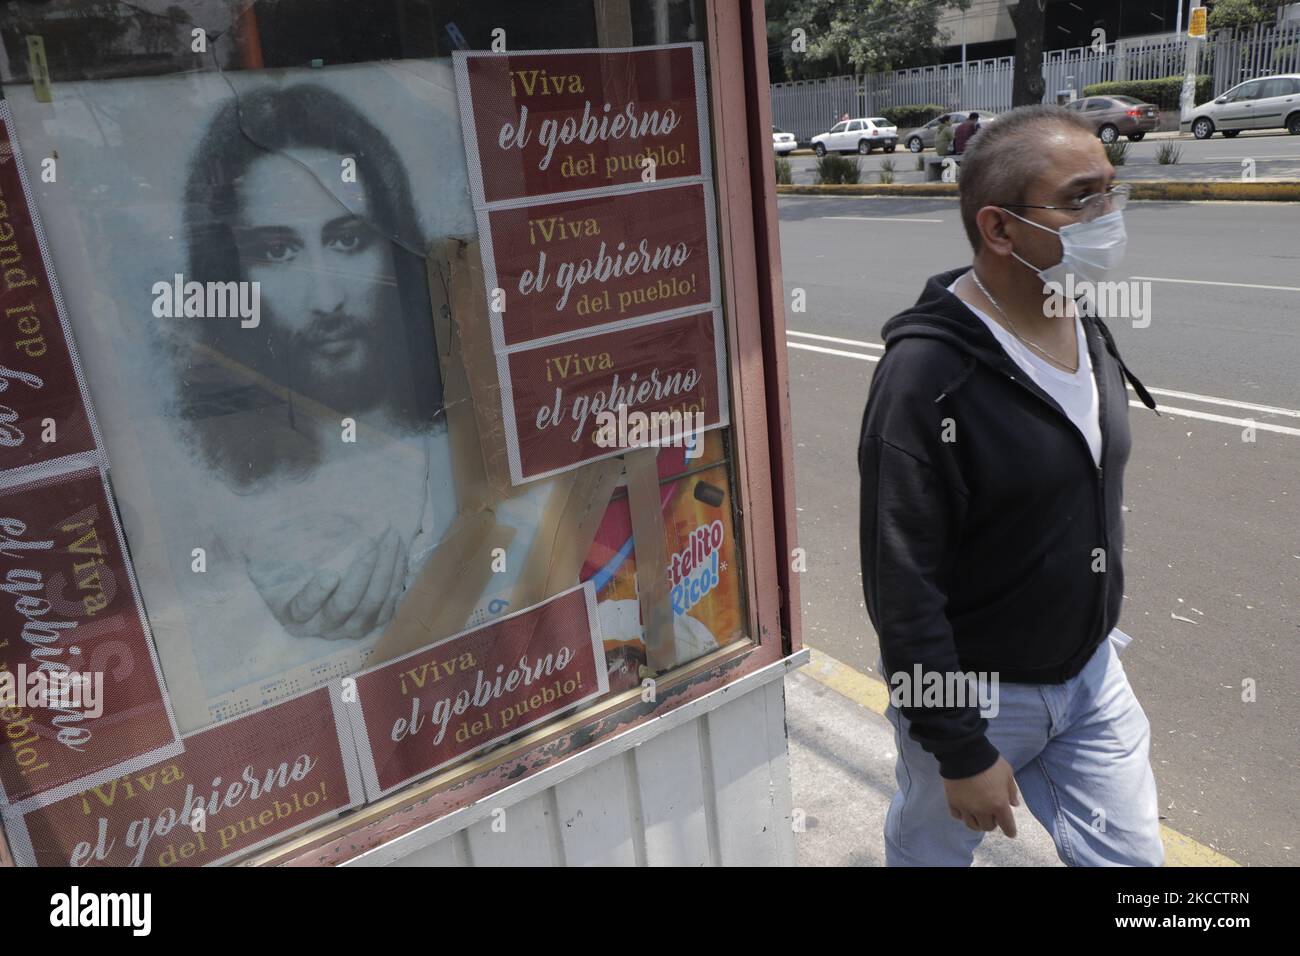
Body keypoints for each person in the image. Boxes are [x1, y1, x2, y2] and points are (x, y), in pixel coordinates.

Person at [858, 104, 1164, 866]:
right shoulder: (925, 377)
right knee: (931, 856)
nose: (1108, 214)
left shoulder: (1080, 320)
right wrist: (960, 748)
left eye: (1112, 191)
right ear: (999, 229)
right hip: (977, 698)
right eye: (1082, 196)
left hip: (1092, 676)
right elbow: (904, 583)